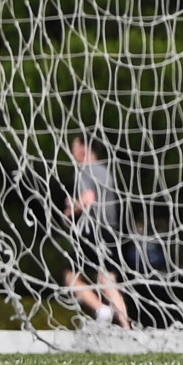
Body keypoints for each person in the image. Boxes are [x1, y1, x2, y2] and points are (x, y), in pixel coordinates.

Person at [60, 135, 132, 329]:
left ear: (84, 149)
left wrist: (69, 211)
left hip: (94, 231)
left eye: (74, 147)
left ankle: (101, 310)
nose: (72, 152)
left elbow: (88, 199)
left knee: (71, 276)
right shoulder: (104, 171)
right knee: (107, 280)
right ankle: (126, 327)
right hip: (110, 232)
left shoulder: (87, 170)